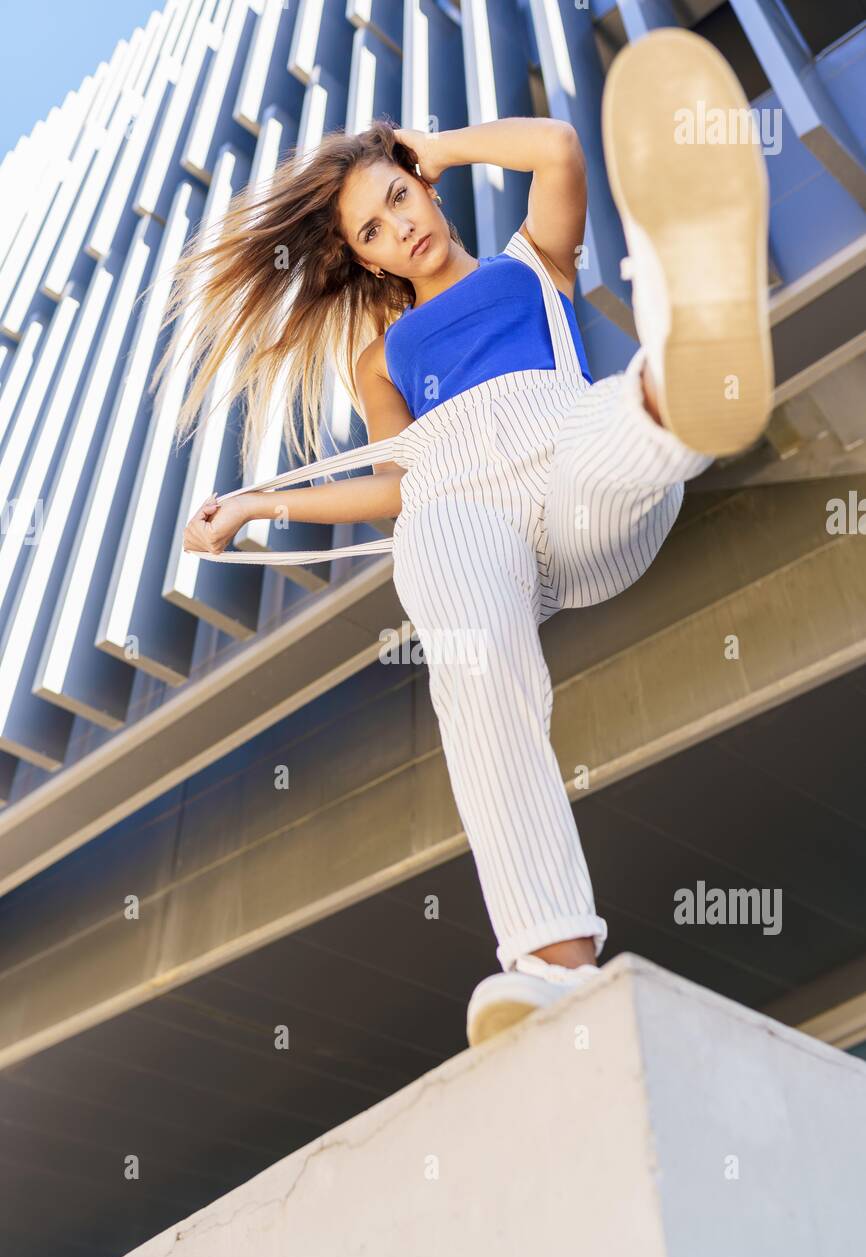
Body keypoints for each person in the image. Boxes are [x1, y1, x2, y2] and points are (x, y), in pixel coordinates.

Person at [174, 29, 773, 1047]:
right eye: (369, 231)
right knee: (461, 640)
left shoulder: (527, 262)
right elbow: (394, 483)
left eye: (397, 198)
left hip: (572, 454)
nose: (393, 228)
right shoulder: (383, 355)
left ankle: (681, 381)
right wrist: (257, 504)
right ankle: (549, 959)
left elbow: (556, 151)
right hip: (464, 501)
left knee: (610, 424)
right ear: (359, 259)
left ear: (424, 187)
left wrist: (437, 144)